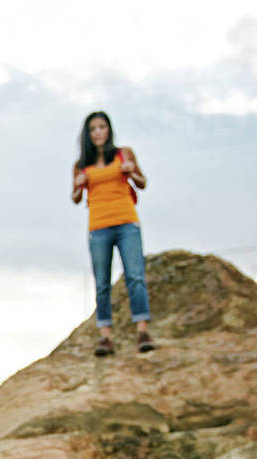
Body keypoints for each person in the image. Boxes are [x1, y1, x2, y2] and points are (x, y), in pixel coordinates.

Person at [71, 111, 155, 356]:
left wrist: (132, 171)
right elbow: (76, 198)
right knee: (102, 283)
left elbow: (142, 183)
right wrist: (78, 185)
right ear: (87, 134)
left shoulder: (124, 154)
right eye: (93, 128)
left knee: (135, 276)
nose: (98, 132)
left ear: (109, 130)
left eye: (102, 127)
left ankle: (142, 330)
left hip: (127, 222)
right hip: (98, 227)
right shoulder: (81, 164)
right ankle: (105, 336)